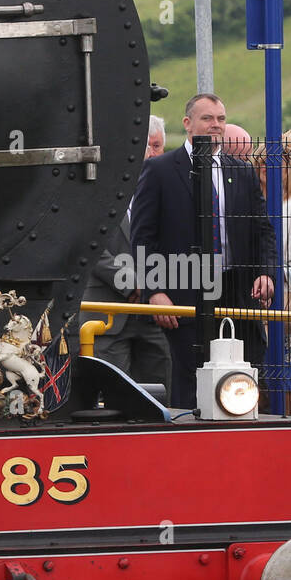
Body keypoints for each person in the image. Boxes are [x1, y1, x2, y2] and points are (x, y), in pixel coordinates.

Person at [130, 94, 276, 408]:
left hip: (236, 294)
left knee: (240, 381)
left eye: (221, 119)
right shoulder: (160, 171)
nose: (216, 125)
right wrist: (155, 291)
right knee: (191, 385)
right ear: (188, 124)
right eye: (208, 118)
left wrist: (265, 272)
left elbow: (262, 231)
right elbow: (143, 238)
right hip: (184, 295)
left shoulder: (242, 172)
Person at [84, 117, 171, 387]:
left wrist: (156, 289)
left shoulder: (165, 191)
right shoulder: (97, 188)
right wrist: (133, 283)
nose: (152, 153)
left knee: (159, 388)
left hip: (154, 312)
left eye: (158, 146)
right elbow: (90, 243)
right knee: (111, 389)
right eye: (147, 146)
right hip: (108, 310)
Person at [253, 132, 291, 417]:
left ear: (289, 167)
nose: (267, 164)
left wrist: (270, 281)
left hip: (279, 308)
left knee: (286, 387)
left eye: (277, 160)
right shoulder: (251, 205)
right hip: (249, 306)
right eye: (262, 159)